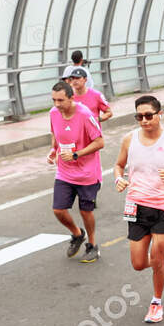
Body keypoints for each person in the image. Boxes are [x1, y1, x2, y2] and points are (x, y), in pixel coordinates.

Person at [113, 95, 164, 323]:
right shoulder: (129, 140)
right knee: (138, 264)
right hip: (136, 204)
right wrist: (118, 179)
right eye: (139, 116)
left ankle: (156, 302)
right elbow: (118, 165)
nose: (144, 120)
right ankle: (161, 259)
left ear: (160, 114)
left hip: (163, 205)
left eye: (149, 115)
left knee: (156, 260)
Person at [48, 80, 106, 262]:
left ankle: (92, 245)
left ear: (71, 98)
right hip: (64, 172)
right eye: (54, 100)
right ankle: (77, 234)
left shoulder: (84, 114)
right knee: (58, 210)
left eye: (61, 101)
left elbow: (100, 142)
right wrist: (53, 150)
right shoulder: (53, 113)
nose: (57, 105)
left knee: (85, 211)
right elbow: (55, 135)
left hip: (87, 173)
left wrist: (76, 154)